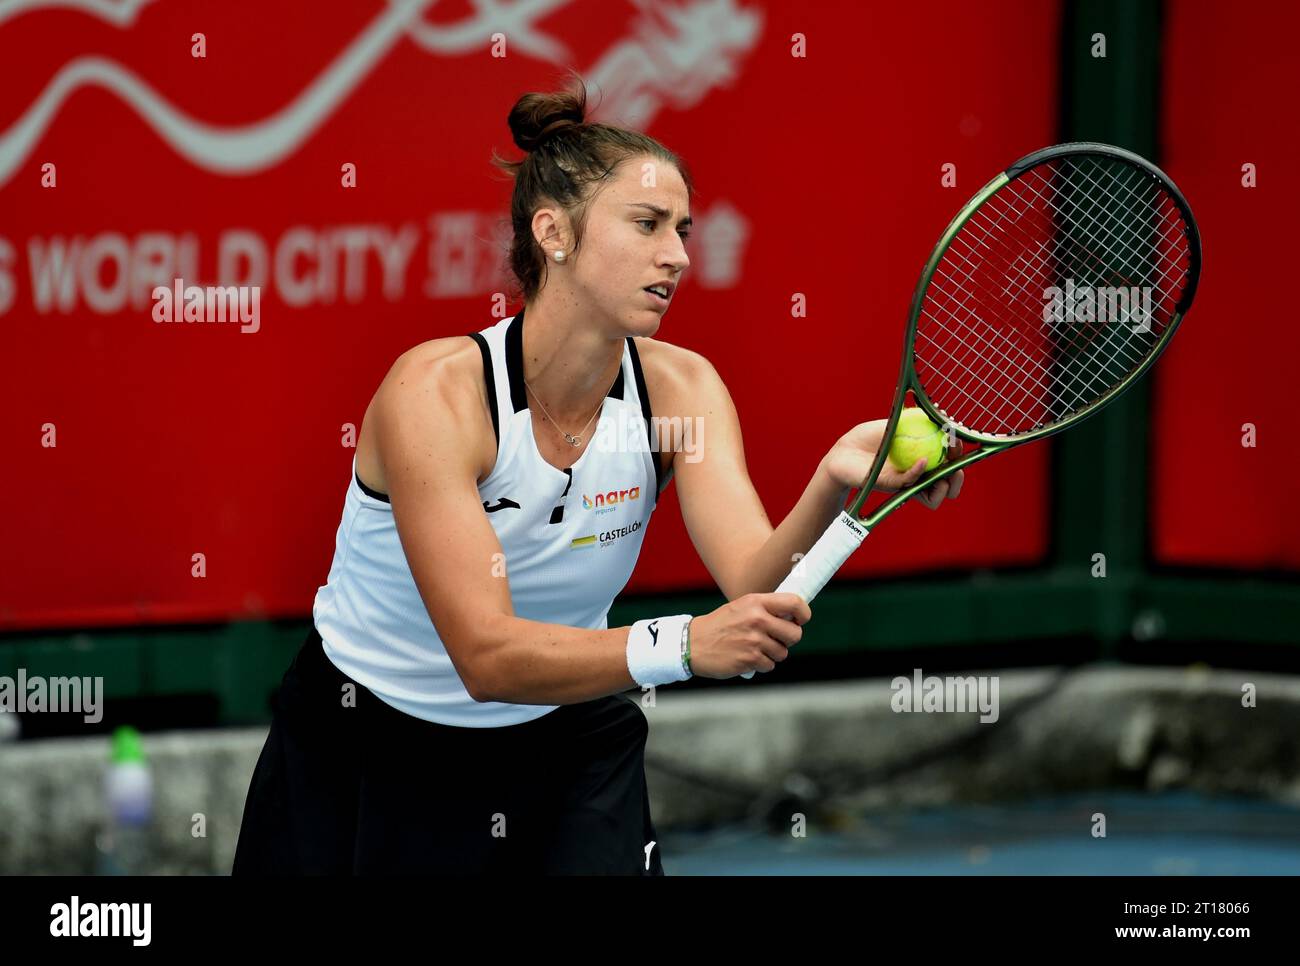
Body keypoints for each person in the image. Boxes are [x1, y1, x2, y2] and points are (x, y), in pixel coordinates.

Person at [232, 75, 963, 876]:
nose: (678, 254)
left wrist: (834, 482)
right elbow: (487, 658)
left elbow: (755, 578)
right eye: (647, 224)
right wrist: (680, 644)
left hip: (570, 746)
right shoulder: (436, 396)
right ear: (554, 233)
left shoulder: (679, 391)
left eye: (683, 229)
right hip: (368, 746)